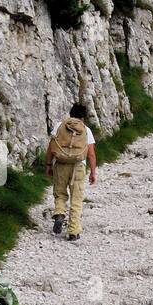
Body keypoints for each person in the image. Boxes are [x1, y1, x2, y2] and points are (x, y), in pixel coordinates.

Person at [46, 103, 97, 241]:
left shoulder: (59, 126)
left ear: (70, 113)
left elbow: (51, 147)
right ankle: (73, 231)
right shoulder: (86, 130)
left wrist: (48, 165)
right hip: (78, 166)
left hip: (60, 164)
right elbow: (91, 154)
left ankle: (59, 213)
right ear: (83, 117)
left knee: (60, 192)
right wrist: (93, 172)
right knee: (76, 198)